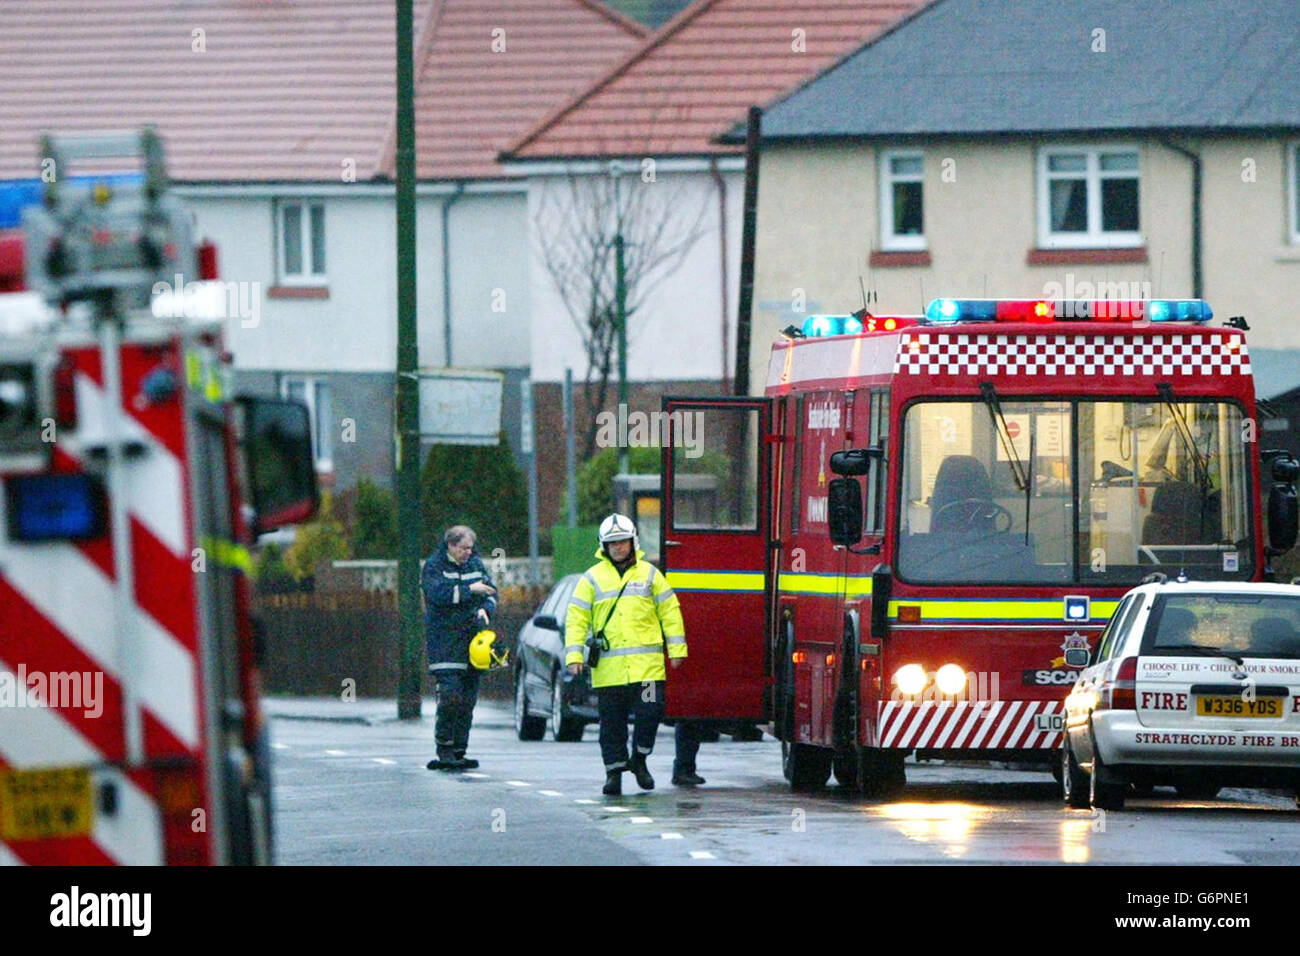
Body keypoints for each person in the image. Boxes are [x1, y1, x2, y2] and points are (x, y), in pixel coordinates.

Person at [566, 513, 686, 795]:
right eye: (612, 543)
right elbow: (576, 618)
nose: (618, 547)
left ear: (633, 542)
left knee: (650, 713)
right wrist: (574, 656)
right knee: (611, 725)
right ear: (603, 546)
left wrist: (677, 649)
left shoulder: (650, 575)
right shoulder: (591, 579)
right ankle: (614, 774)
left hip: (647, 671)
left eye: (622, 542)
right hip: (610, 673)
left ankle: (640, 759)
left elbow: (670, 612)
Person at [422, 524, 496, 771]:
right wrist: (468, 590)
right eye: (464, 548)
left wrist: (486, 608)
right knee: (450, 696)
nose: (468, 553)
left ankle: (459, 751)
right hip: (444, 643)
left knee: (467, 699)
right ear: (451, 546)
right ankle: (444, 749)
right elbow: (437, 595)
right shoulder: (434, 566)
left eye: (470, 548)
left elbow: (491, 591)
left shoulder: (475, 564)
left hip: (472, 642)